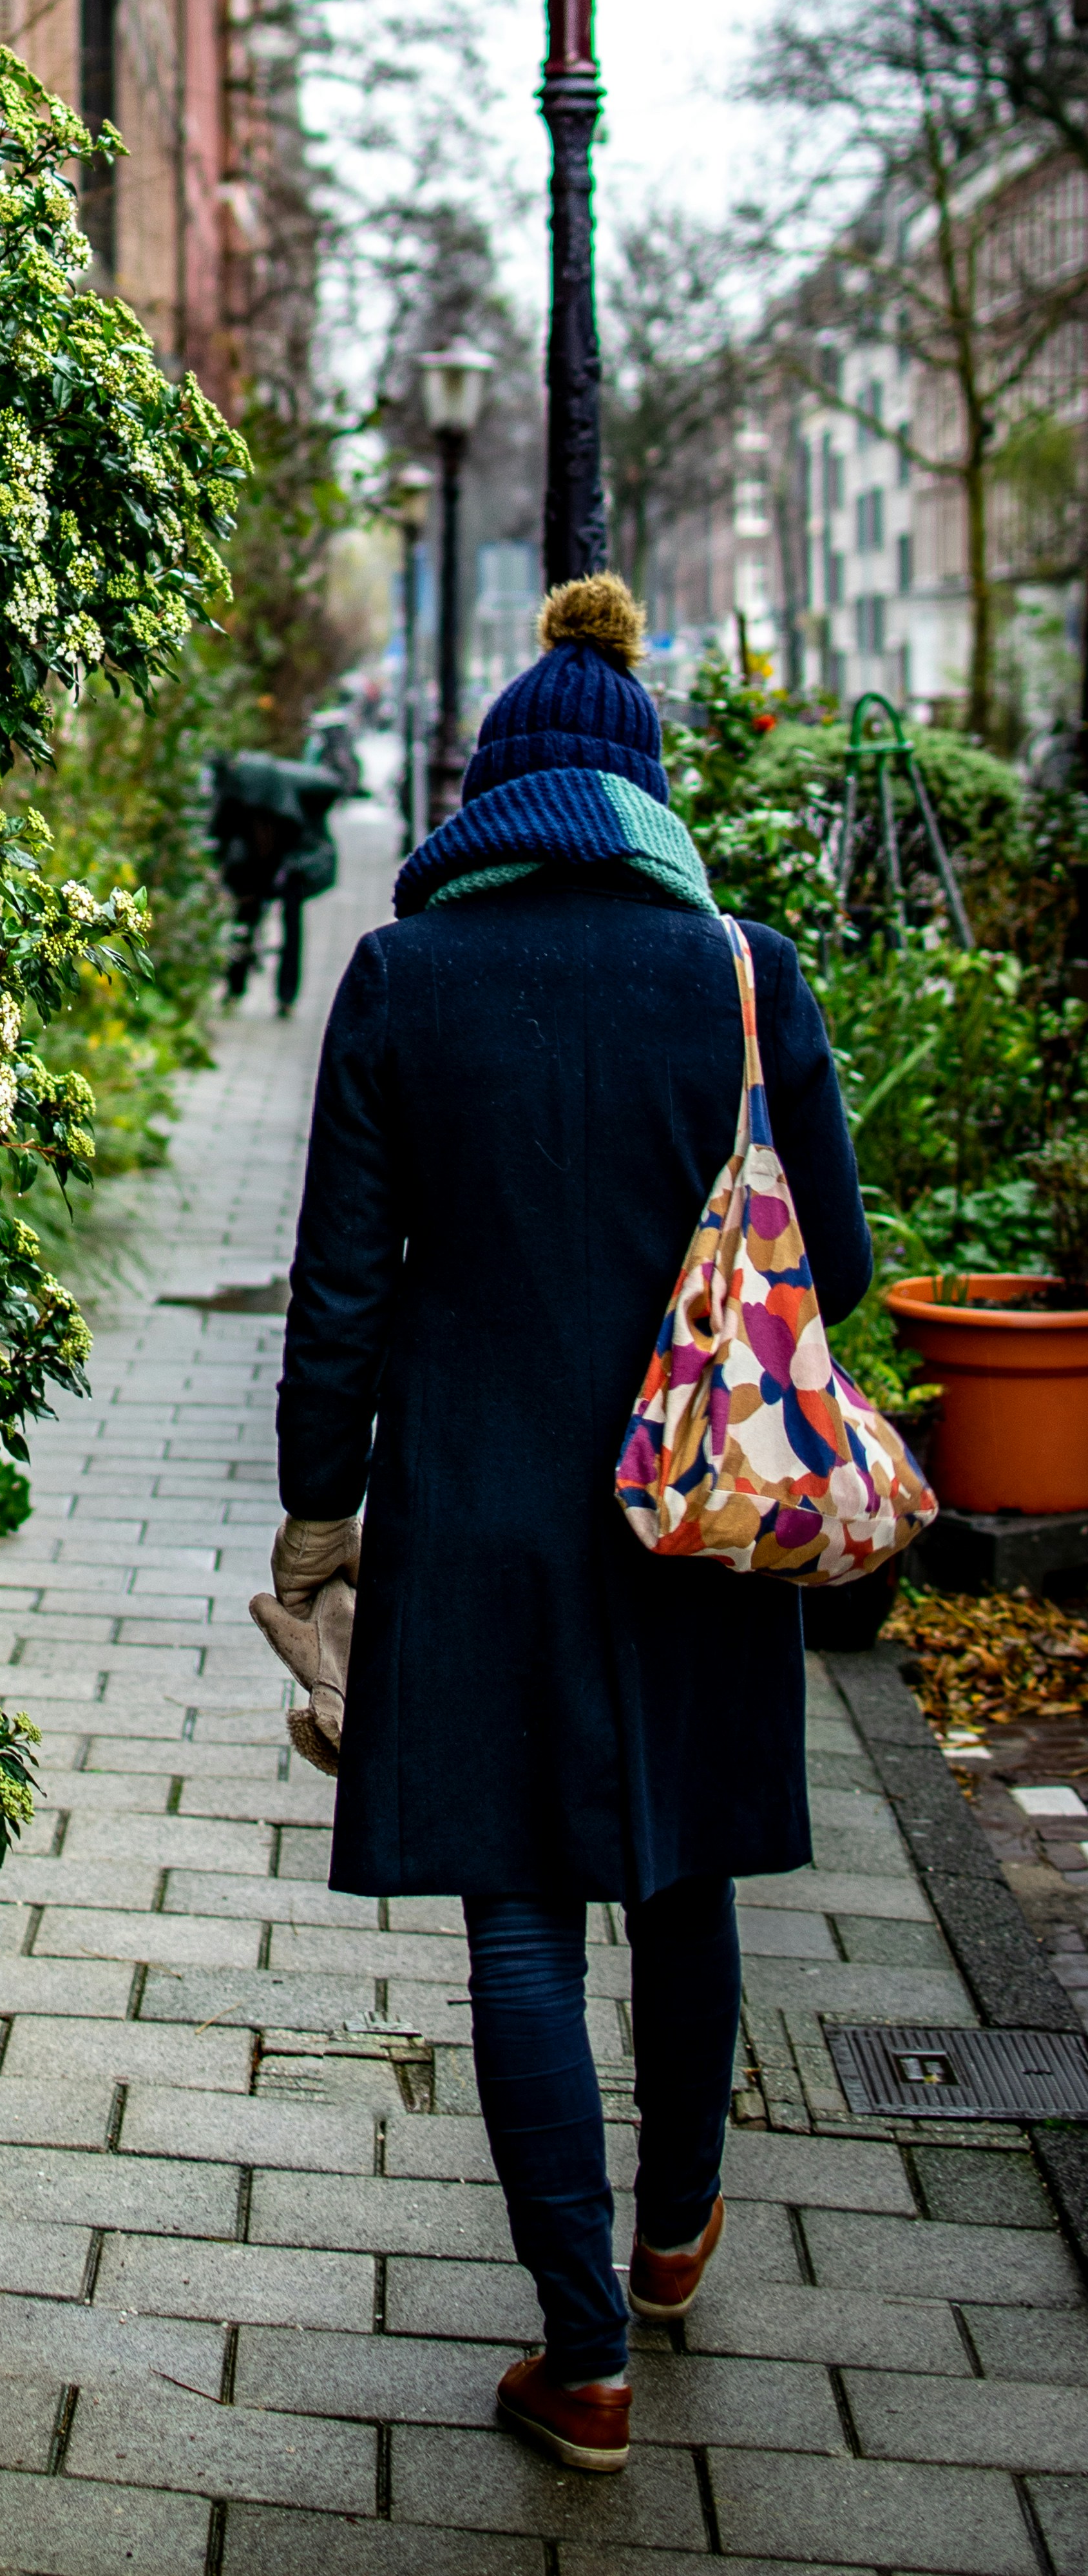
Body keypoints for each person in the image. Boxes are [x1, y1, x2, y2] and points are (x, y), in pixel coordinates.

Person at [264, 574, 871, 2477]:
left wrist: (315, 1513)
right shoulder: (738, 971)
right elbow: (833, 1262)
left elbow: (339, 1286)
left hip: (476, 1513)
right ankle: (674, 2227)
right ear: (644, 793)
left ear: (487, 792)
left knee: (517, 1910)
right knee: (681, 1872)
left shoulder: (401, 975)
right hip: (697, 1503)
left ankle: (579, 2355)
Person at [207, 751, 343, 1012]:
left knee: (290, 921)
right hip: (253, 864)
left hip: (290, 861)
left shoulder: (285, 801)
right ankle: (236, 987)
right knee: (245, 916)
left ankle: (285, 996)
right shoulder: (235, 798)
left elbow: (304, 837)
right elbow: (221, 837)